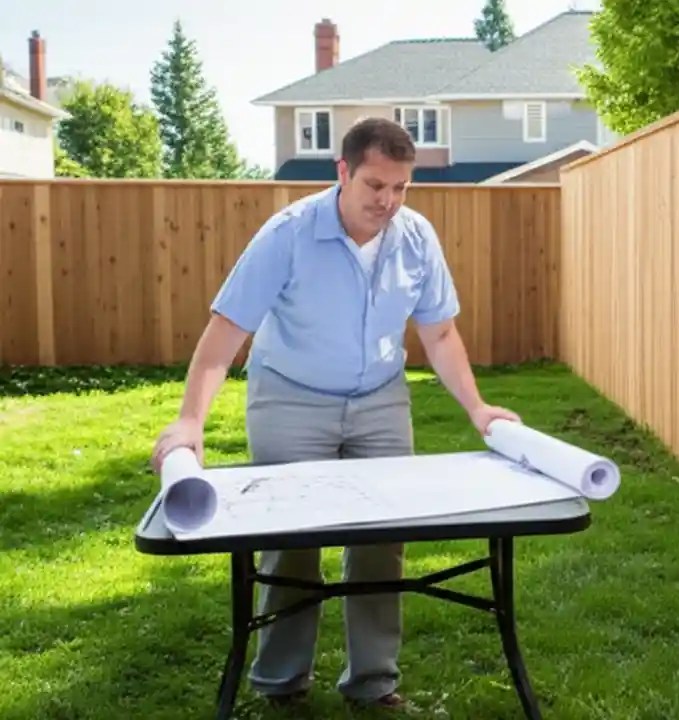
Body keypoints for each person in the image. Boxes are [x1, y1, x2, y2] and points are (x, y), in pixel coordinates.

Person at [149, 117, 519, 710]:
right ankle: (281, 683)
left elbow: (442, 334)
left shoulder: (416, 237)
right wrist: (191, 420)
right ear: (342, 172)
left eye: (401, 188)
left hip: (379, 397)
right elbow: (227, 332)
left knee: (383, 536)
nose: (388, 202)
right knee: (291, 538)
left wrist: (478, 410)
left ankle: (373, 683)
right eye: (376, 185)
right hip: (291, 395)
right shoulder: (288, 234)